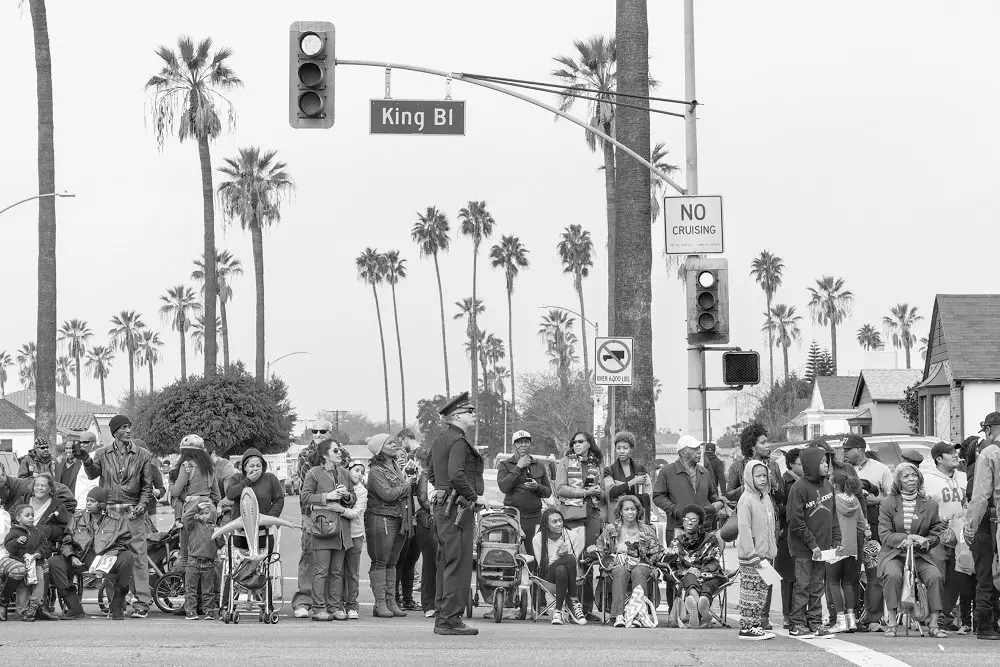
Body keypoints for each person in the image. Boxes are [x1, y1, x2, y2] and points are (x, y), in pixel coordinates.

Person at [77, 414, 155, 619]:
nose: (128, 430)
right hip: (110, 513)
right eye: (124, 428)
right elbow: (93, 474)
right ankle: (115, 602)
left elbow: (147, 486)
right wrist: (86, 459)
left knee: (138, 557)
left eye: (130, 427)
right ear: (115, 432)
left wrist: (142, 505)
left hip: (132, 511)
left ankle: (142, 602)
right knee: (110, 558)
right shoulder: (103, 453)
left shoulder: (143, 454)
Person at [428, 391, 484, 636]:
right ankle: (450, 620)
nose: (473, 415)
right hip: (457, 510)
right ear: (457, 416)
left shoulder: (441, 439)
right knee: (458, 565)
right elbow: (457, 475)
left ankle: (443, 616)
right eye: (470, 412)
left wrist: (443, 491)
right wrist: (473, 497)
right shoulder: (458, 441)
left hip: (444, 508)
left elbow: (431, 473)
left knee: (445, 563)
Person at [653, 434, 723, 613]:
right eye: (694, 449)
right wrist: (677, 511)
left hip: (702, 529)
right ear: (683, 452)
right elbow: (658, 496)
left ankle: (699, 608)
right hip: (677, 527)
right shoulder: (667, 471)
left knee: (702, 567)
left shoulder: (704, 471)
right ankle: (673, 610)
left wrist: (717, 504)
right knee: (674, 568)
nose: (699, 452)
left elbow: (712, 495)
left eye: (699, 449)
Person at [724, 424, 784, 630]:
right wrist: (749, 483)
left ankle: (763, 618)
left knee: (766, 575)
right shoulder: (737, 467)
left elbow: (782, 495)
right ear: (752, 446)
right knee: (753, 577)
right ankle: (752, 621)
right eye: (763, 442)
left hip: (769, 521)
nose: (767, 446)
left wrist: (772, 482)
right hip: (749, 522)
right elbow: (729, 493)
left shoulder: (773, 466)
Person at [878, 462, 947, 638]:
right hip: (894, 553)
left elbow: (936, 532)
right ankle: (892, 623)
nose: (911, 479)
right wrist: (906, 538)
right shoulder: (887, 503)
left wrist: (925, 541)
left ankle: (933, 624)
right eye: (906, 476)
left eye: (914, 475)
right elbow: (884, 533)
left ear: (920, 478)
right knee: (893, 576)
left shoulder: (930, 504)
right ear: (898, 481)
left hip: (920, 554)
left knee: (935, 576)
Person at [51, 486, 134, 621]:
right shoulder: (77, 518)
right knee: (54, 562)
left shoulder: (117, 519)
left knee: (128, 557)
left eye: (92, 501)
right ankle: (74, 607)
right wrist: (71, 556)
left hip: (107, 559)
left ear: (101, 504)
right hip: (81, 558)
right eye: (87, 500)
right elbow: (66, 541)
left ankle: (117, 604)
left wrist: (108, 557)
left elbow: (124, 542)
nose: (88, 503)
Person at [786, 444, 841, 639]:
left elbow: (833, 516)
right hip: (804, 549)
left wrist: (836, 540)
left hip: (823, 549)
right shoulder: (799, 488)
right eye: (822, 462)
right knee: (803, 586)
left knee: (817, 586)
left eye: (826, 462)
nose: (826, 465)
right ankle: (797, 623)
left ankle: (815, 622)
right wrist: (813, 544)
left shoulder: (827, 485)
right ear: (810, 464)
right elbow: (795, 521)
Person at [300, 438, 356, 621]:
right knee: (321, 570)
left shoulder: (344, 473)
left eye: (339, 450)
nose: (340, 453)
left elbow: (353, 497)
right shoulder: (313, 473)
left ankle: (334, 607)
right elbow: (306, 497)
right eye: (336, 451)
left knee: (337, 571)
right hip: (323, 528)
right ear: (325, 454)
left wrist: (347, 495)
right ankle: (318, 608)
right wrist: (327, 496)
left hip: (341, 529)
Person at [843, 433, 893, 632]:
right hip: (847, 526)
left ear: (860, 450)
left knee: (874, 573)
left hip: (873, 523)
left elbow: (891, 498)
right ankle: (849, 616)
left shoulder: (881, 469)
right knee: (849, 573)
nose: (845, 453)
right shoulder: (843, 470)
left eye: (848, 449)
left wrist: (871, 499)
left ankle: (873, 617)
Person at [555, 431, 607, 622]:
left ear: (589, 444)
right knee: (573, 559)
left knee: (589, 560)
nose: (576, 444)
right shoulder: (565, 462)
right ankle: (569, 605)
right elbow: (560, 488)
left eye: (580, 441)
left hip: (593, 514)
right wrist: (585, 492)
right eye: (574, 442)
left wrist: (598, 492)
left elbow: (602, 492)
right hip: (572, 515)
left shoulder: (597, 463)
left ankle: (586, 608)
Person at [924, 441, 973, 634]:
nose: (955, 455)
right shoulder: (928, 480)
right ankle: (935, 615)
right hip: (938, 535)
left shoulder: (964, 477)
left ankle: (945, 614)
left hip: (962, 536)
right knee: (937, 576)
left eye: (955, 451)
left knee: (957, 577)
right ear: (938, 458)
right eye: (950, 452)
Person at [365, 433, 415, 620]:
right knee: (380, 561)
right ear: (380, 448)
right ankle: (380, 603)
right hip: (381, 518)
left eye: (394, 442)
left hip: (398, 518)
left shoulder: (394, 466)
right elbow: (387, 494)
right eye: (390, 443)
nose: (395, 445)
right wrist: (408, 485)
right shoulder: (376, 471)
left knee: (392, 561)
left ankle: (391, 601)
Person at [593, 494, 662, 627]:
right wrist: (595, 549)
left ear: (638, 511)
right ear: (620, 511)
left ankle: (638, 615)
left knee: (638, 571)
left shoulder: (647, 530)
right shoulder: (611, 529)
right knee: (620, 570)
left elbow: (657, 552)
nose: (630, 512)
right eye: (626, 509)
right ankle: (618, 615)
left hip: (642, 565)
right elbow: (601, 549)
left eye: (633, 509)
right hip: (618, 565)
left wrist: (647, 561)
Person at [291, 418, 335, 618]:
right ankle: (303, 601)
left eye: (322, 431)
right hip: (311, 513)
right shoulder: (305, 455)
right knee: (309, 556)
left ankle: (330, 602)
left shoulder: (340, 452)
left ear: (330, 432)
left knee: (333, 559)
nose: (317, 434)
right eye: (314, 431)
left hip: (336, 513)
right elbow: (307, 486)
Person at [963, 411, 1000, 640]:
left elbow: (980, 496)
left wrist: (970, 526)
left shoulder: (989, 453)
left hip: (993, 520)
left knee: (987, 573)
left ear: (988, 430)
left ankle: (986, 625)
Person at [170, 435, 222, 599]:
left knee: (188, 557)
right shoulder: (209, 468)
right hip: (209, 509)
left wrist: (171, 485)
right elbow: (217, 495)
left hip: (191, 510)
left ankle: (190, 601)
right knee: (207, 557)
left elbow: (176, 492)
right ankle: (208, 599)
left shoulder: (187, 466)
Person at [663, 504, 724, 630]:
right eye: (686, 519)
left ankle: (700, 609)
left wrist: (699, 572)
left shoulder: (710, 539)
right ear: (683, 522)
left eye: (694, 520)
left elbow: (713, 560)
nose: (689, 522)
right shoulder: (676, 542)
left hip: (710, 574)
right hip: (688, 577)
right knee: (688, 576)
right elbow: (671, 565)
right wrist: (683, 569)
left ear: (700, 524)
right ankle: (703, 613)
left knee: (706, 583)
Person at [735, 461, 778, 640]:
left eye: (764, 475)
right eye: (758, 476)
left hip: (766, 553)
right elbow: (744, 528)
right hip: (751, 555)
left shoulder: (766, 497)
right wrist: (752, 553)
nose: (762, 479)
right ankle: (746, 627)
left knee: (761, 592)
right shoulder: (746, 499)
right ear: (749, 477)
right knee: (750, 591)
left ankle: (756, 624)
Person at [497, 430, 552, 560]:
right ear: (513, 446)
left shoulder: (539, 465)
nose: (523, 445)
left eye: (526, 442)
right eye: (519, 442)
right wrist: (518, 467)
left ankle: (534, 580)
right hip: (512, 518)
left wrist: (537, 487)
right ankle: (509, 579)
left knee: (536, 558)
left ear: (530, 445)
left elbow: (548, 492)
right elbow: (503, 487)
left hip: (534, 518)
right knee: (509, 557)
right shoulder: (505, 464)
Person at [828, 472, 868, 633]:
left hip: (836, 546)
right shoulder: (855, 500)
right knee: (848, 583)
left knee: (833, 582)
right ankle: (852, 619)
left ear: (835, 485)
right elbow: (861, 525)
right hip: (852, 547)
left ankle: (840, 620)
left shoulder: (832, 500)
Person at [532, 506, 586, 626]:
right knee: (568, 558)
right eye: (554, 522)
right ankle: (573, 599)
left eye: (560, 520)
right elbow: (542, 565)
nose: (559, 524)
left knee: (562, 568)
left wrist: (562, 557)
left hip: (568, 575)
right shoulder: (538, 539)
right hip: (547, 576)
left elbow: (573, 563)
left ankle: (557, 611)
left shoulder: (572, 536)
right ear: (546, 525)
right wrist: (557, 556)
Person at [3, 504, 52, 621]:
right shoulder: (14, 532)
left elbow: (46, 546)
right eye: (27, 515)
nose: (31, 517)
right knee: (23, 588)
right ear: (18, 518)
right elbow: (8, 546)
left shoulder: (38, 533)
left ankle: (33, 607)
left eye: (32, 515)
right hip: (22, 563)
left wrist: (39, 553)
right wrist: (16, 542)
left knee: (39, 585)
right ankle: (21, 611)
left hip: (36, 563)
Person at [395, 428, 422, 612]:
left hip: (416, 519)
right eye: (397, 457)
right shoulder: (391, 475)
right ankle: (395, 598)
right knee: (399, 560)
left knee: (412, 559)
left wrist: (416, 479)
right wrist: (405, 482)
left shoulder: (415, 471)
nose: (402, 459)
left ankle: (408, 598)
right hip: (399, 520)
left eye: (404, 456)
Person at [776, 447, 803, 629]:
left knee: (802, 576)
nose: (803, 467)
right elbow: (779, 508)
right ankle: (787, 614)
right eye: (800, 464)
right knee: (787, 576)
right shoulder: (784, 482)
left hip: (803, 534)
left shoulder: (808, 481)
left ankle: (799, 613)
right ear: (791, 464)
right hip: (786, 533)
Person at [339, 460, 368, 620]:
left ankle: (351, 605)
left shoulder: (362, 491)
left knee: (352, 572)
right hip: (338, 534)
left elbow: (356, 512)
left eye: (362, 472)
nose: (359, 474)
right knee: (337, 571)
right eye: (356, 470)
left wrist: (340, 510)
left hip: (355, 534)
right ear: (348, 470)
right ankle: (338, 604)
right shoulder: (339, 485)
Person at [182, 497, 219, 620]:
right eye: (201, 514)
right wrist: (197, 505)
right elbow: (186, 517)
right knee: (191, 588)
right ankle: (190, 611)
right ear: (197, 514)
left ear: (212, 514)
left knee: (208, 590)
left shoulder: (214, 527)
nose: (204, 516)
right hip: (193, 560)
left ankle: (208, 611)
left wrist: (219, 535)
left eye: (207, 513)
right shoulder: (193, 525)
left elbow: (221, 544)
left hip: (209, 562)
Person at [603, 431, 651, 523]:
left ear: (631, 449)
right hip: (616, 518)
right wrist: (633, 482)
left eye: (625, 448)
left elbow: (647, 495)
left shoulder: (641, 470)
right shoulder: (609, 470)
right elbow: (611, 493)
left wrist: (621, 489)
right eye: (618, 448)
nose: (621, 451)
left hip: (637, 518)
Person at [226, 447, 285, 519]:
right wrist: (248, 480)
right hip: (241, 527)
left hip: (264, 526)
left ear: (262, 467)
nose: (255, 469)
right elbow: (230, 495)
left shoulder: (270, 478)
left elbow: (279, 499)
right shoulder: (236, 478)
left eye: (258, 466)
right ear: (244, 467)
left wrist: (270, 517)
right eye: (251, 466)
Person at [412, 448, 437, 617]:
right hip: (427, 524)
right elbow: (422, 499)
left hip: (444, 523)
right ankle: (429, 604)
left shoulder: (446, 475)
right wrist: (437, 510)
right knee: (429, 564)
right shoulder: (425, 476)